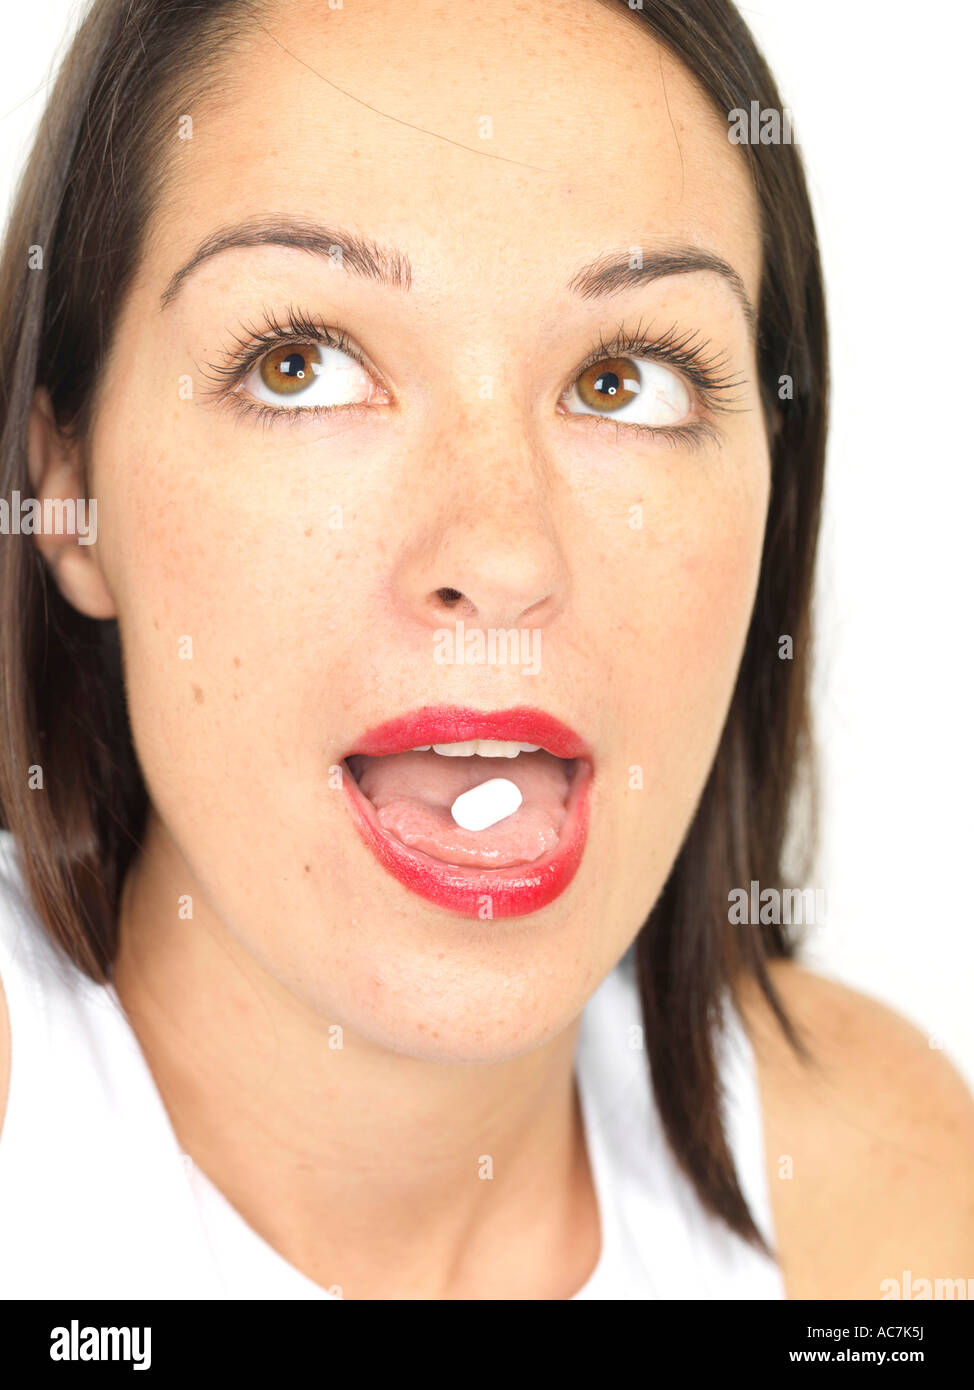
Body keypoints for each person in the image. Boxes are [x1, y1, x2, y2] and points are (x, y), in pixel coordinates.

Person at [0, 0, 971, 1300]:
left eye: (626, 375)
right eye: (299, 364)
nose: (502, 551)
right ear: (65, 484)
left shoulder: (870, 1181)